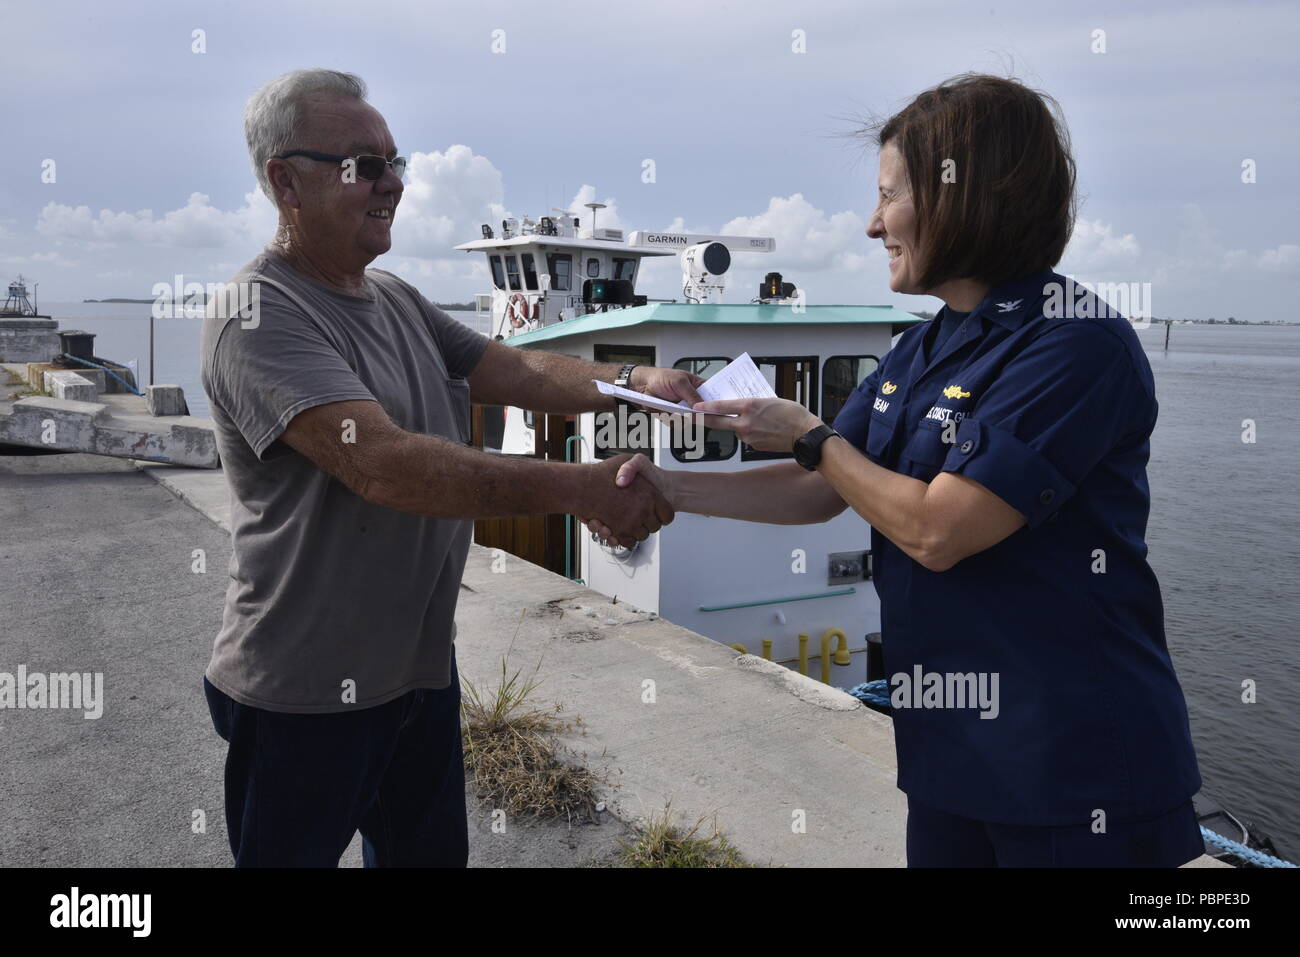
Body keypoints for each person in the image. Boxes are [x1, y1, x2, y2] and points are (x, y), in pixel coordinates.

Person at [589, 74, 1204, 867]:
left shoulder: (1074, 346)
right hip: (952, 761)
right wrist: (670, 489)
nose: (872, 222)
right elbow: (826, 486)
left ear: (966, 195)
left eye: (888, 197)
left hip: (1074, 771)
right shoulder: (922, 346)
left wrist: (812, 436)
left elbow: (937, 529)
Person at [200, 68, 701, 867]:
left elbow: (524, 372)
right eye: (362, 165)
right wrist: (575, 487)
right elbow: (386, 467)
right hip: (303, 691)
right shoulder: (256, 315)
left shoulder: (394, 297)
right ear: (283, 181)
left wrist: (635, 384)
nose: (392, 183)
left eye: (396, 160)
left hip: (418, 677)